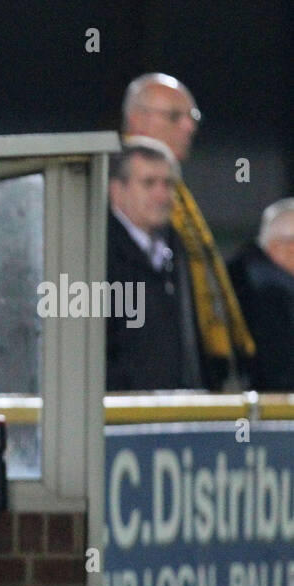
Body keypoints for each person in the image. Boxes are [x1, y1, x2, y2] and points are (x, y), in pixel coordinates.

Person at [121, 73, 254, 389]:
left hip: (186, 379)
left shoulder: (181, 201)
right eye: (174, 117)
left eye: (192, 117)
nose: (189, 127)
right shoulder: (106, 191)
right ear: (137, 119)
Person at [106, 138, 205, 390]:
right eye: (149, 183)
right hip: (120, 416)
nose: (162, 195)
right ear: (117, 190)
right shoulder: (96, 251)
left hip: (174, 411)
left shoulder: (181, 248)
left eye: (168, 184)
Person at [228, 199, 294, 391]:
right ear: (281, 246)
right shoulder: (270, 289)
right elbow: (280, 369)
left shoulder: (240, 272)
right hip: (267, 409)